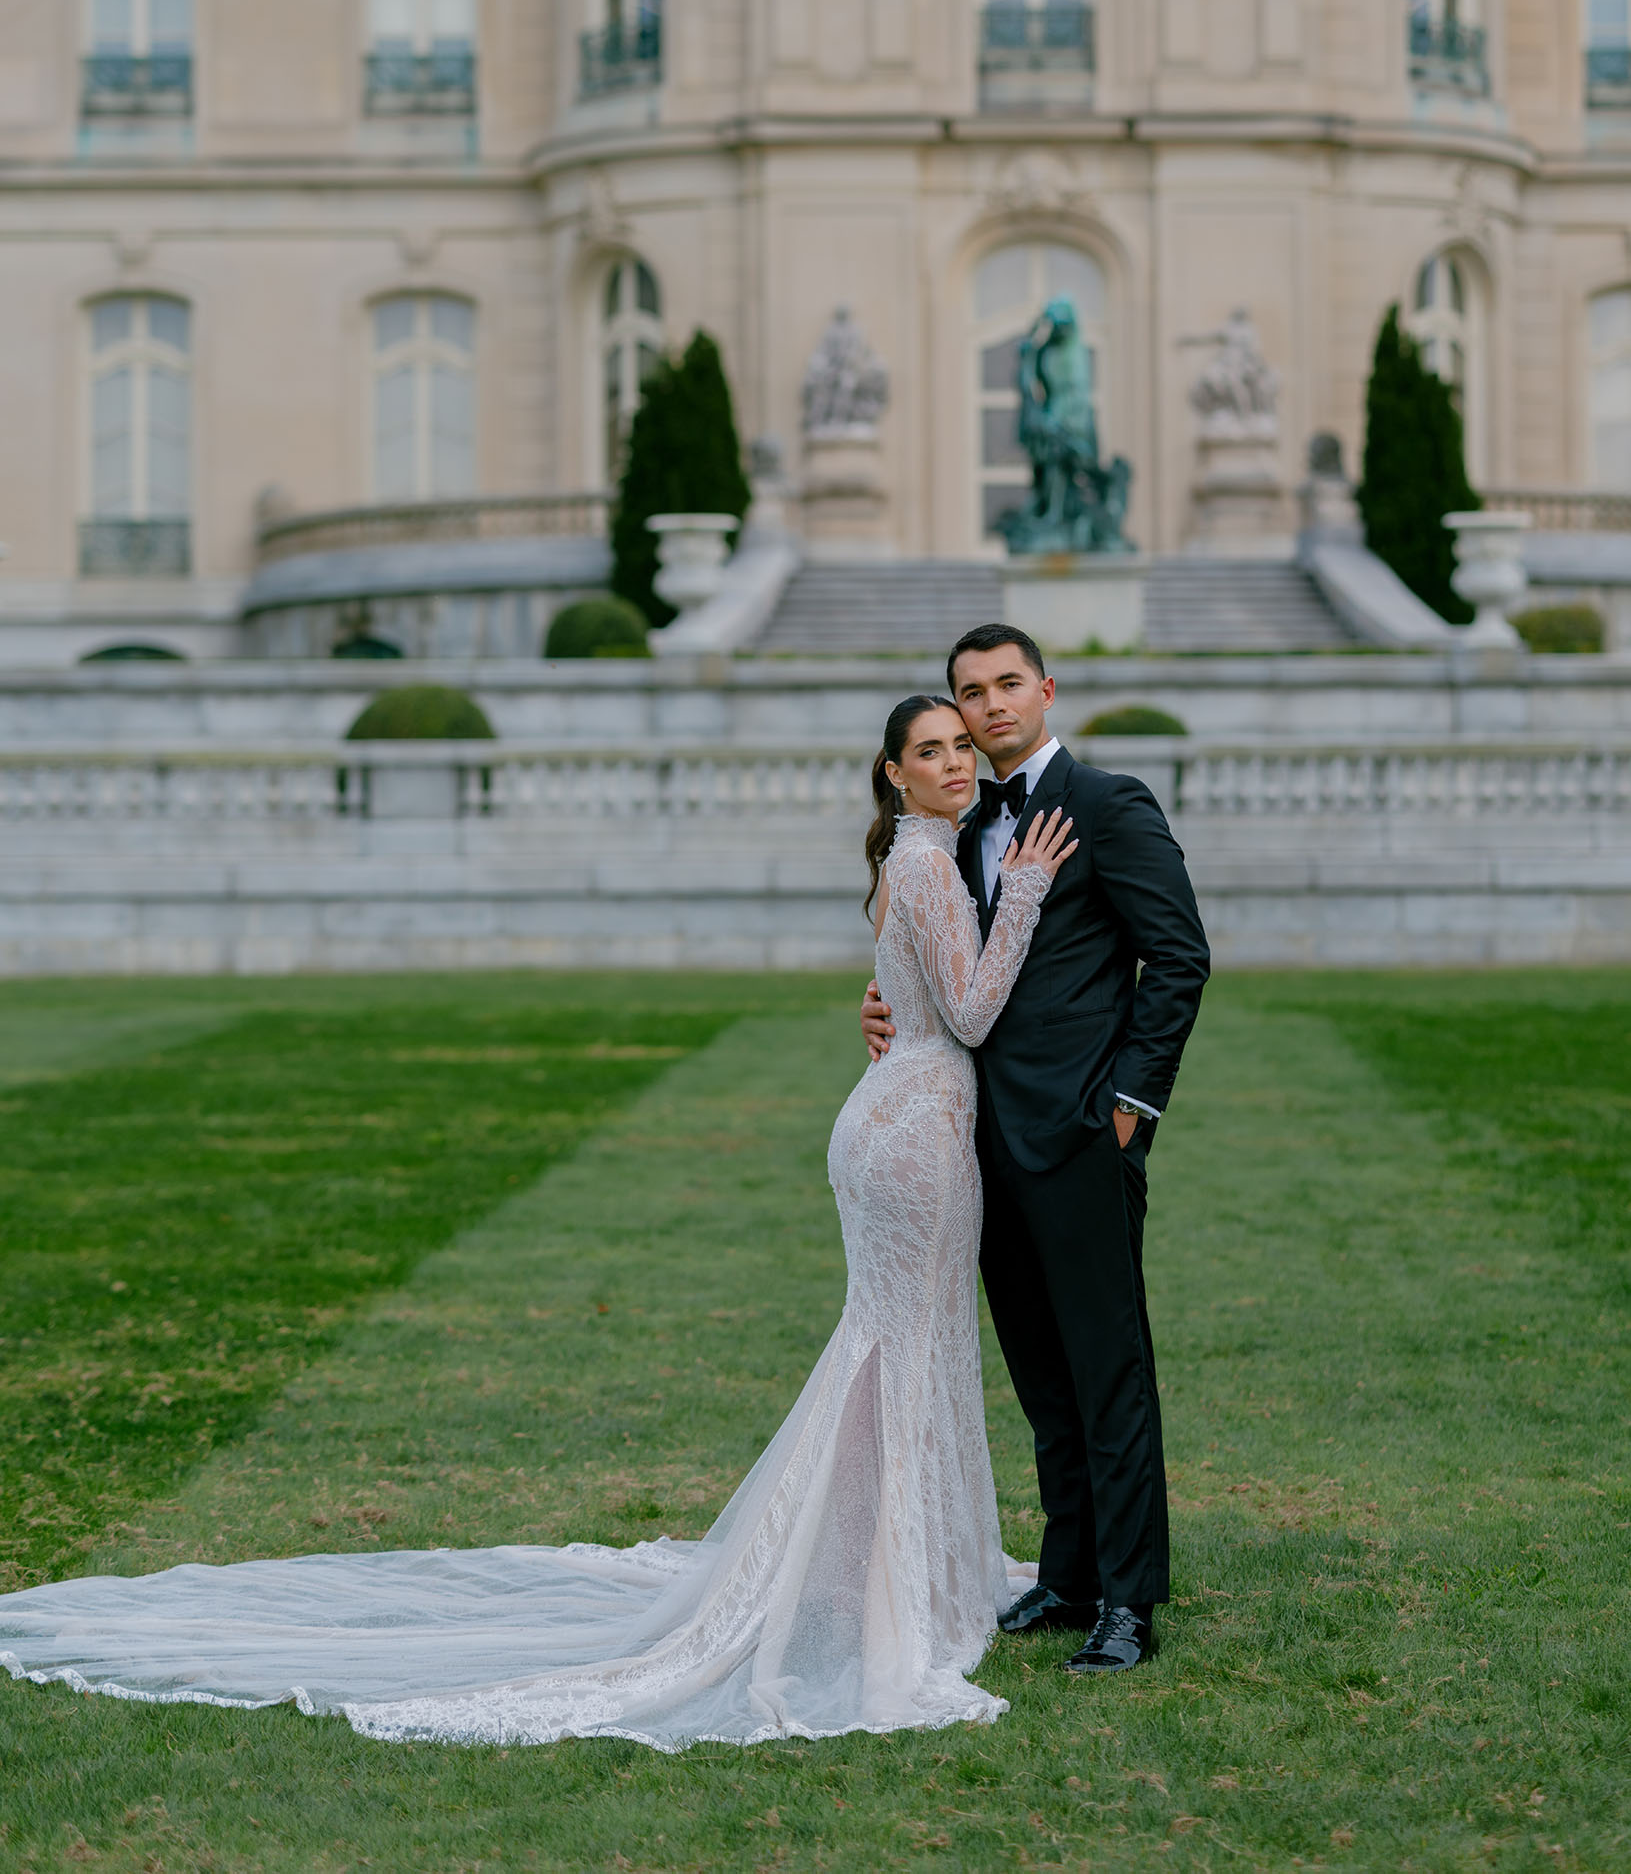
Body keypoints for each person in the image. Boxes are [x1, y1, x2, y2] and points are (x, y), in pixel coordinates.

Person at [0, 696, 1075, 1751]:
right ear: (892, 772)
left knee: (892, 1348)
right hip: (918, 1129)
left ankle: (886, 1570)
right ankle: (886, 1587)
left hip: (894, 1120)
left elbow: (919, 992)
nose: (952, 763)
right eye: (927, 751)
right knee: (905, 1348)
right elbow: (973, 1012)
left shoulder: (903, 863)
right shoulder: (932, 864)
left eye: (956, 748)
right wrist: (1024, 893)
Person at [861, 622, 1210, 1675]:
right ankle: (1067, 1575)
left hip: (1077, 1133)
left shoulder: (1107, 805)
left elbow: (1179, 954)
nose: (990, 706)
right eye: (971, 693)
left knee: (1107, 1371)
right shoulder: (958, 817)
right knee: (1040, 1377)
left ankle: (1130, 1601)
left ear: (1046, 689)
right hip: (973, 1143)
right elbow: (944, 960)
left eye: (1008, 684)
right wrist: (883, 1010)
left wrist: (1130, 1103)